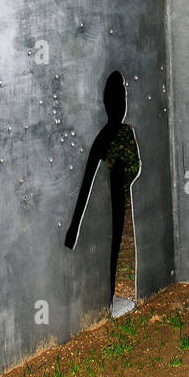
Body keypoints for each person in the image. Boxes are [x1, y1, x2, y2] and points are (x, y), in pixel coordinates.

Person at [64, 71, 141, 311]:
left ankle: (109, 295)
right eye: (117, 101)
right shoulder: (107, 135)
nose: (121, 105)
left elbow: (135, 166)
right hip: (111, 201)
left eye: (122, 100)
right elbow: (86, 184)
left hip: (120, 198)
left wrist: (123, 173)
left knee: (117, 245)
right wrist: (73, 229)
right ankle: (106, 297)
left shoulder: (123, 133)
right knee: (111, 244)